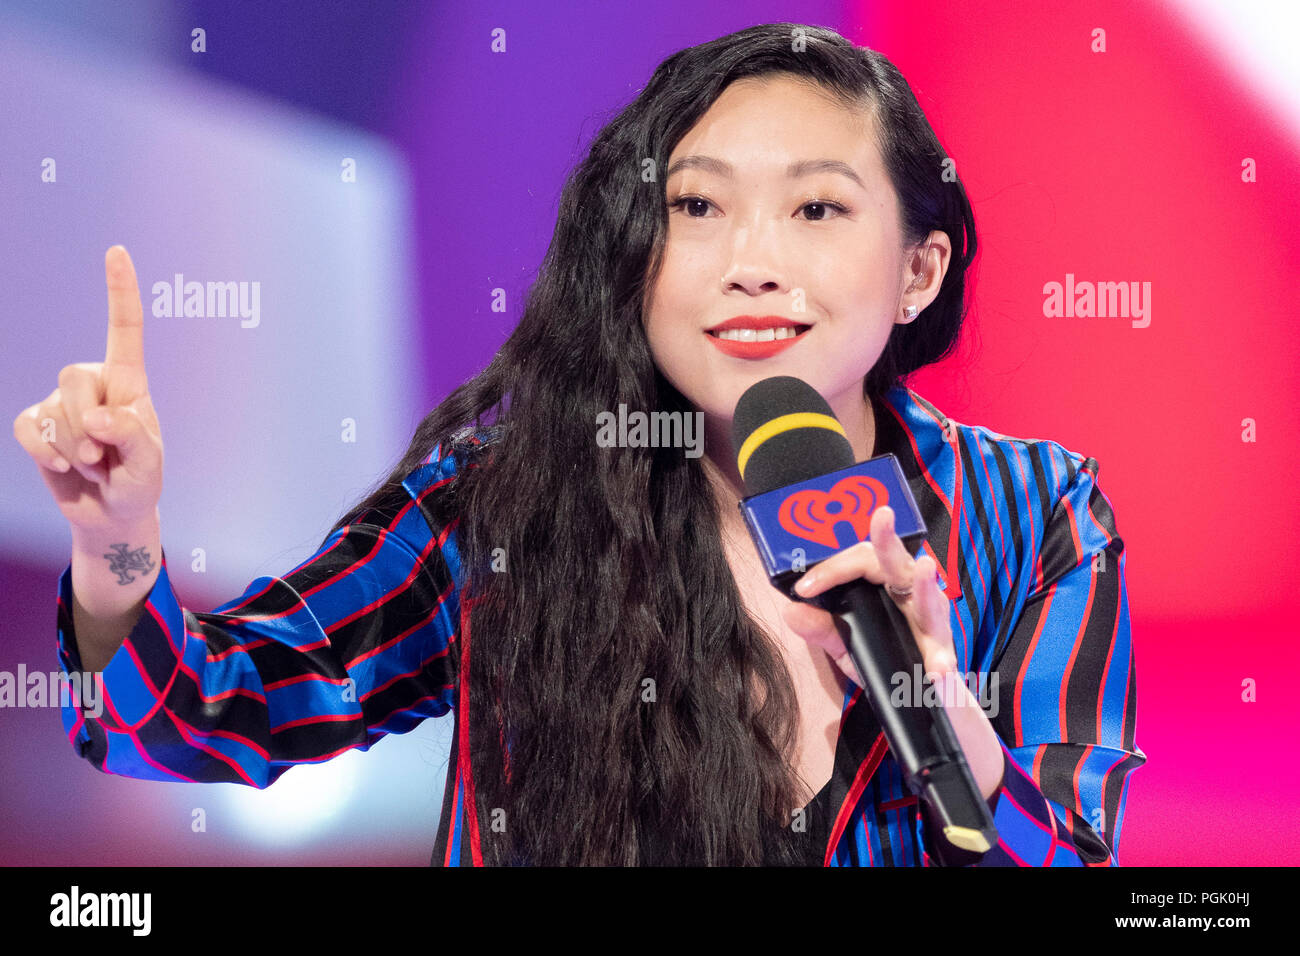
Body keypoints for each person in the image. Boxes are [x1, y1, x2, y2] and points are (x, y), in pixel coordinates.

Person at [13, 23, 1144, 867]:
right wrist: (119, 544)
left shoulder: (1036, 513)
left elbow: (1077, 854)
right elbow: (200, 713)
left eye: (815, 210)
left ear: (919, 271)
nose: (750, 260)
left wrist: (942, 709)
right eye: (696, 208)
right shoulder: (501, 505)